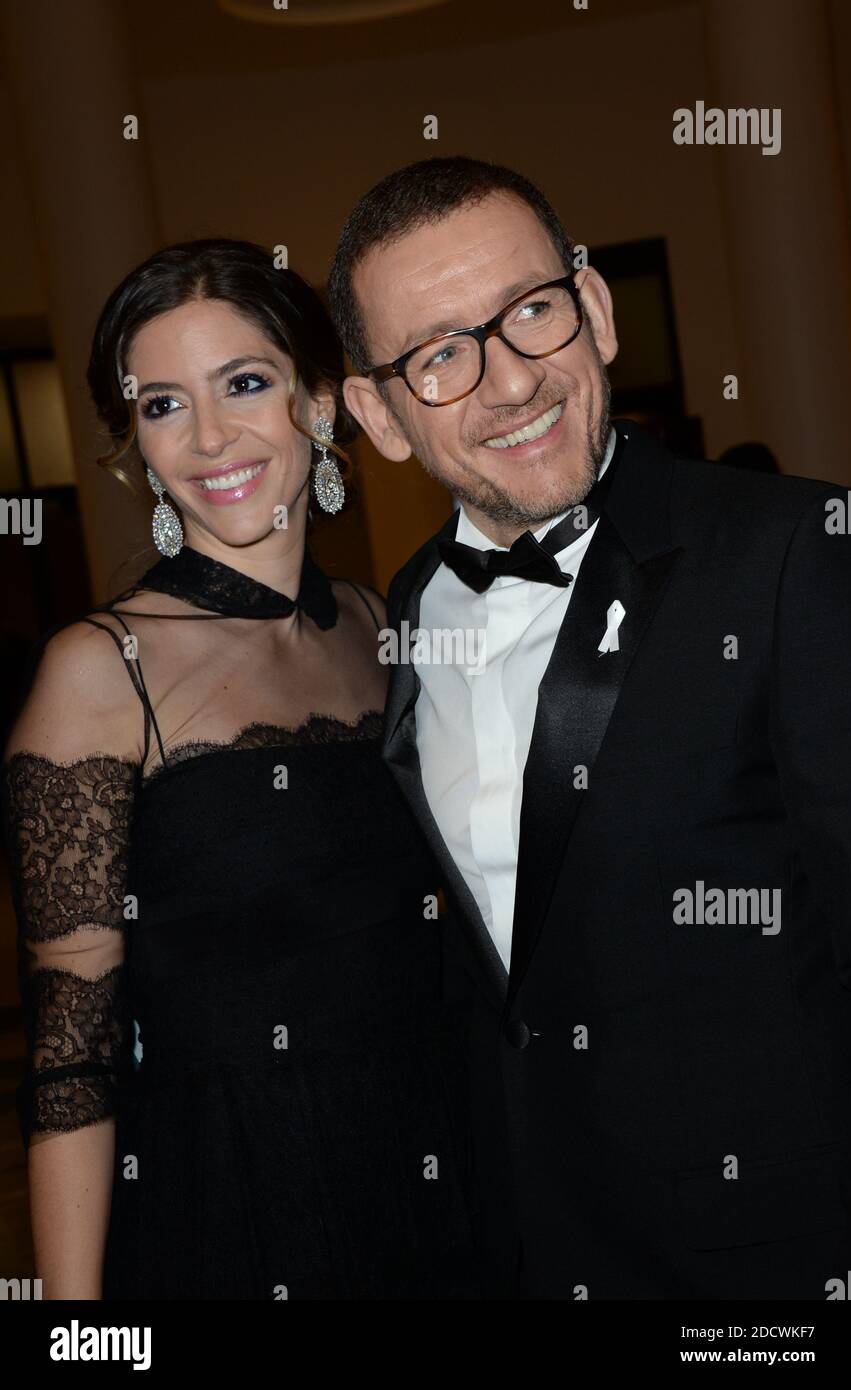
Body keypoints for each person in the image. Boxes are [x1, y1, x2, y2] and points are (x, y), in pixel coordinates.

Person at [327, 155, 851, 1300]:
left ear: (597, 310)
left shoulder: (792, 552)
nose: (510, 380)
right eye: (439, 354)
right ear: (374, 412)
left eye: (530, 312)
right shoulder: (406, 613)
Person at [0, 238, 480, 1300]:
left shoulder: (376, 623)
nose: (208, 435)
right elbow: (72, 1059)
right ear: (134, 442)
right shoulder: (99, 670)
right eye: (162, 403)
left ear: (320, 402)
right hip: (234, 1202)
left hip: (435, 1179)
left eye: (244, 384)